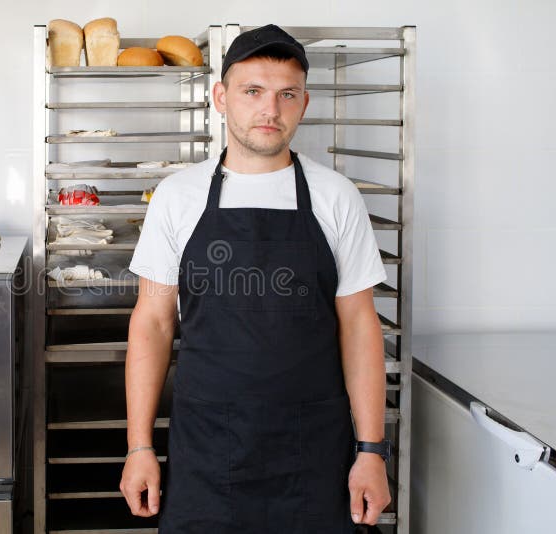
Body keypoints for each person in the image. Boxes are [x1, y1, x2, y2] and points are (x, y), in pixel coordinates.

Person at [120, 24, 392, 532]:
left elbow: (359, 325)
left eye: (286, 94)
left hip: (313, 446)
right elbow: (153, 324)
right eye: (253, 92)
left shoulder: (335, 196)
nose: (271, 110)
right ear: (221, 97)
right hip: (206, 446)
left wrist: (371, 450)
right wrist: (140, 446)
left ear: (303, 103)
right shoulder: (178, 196)